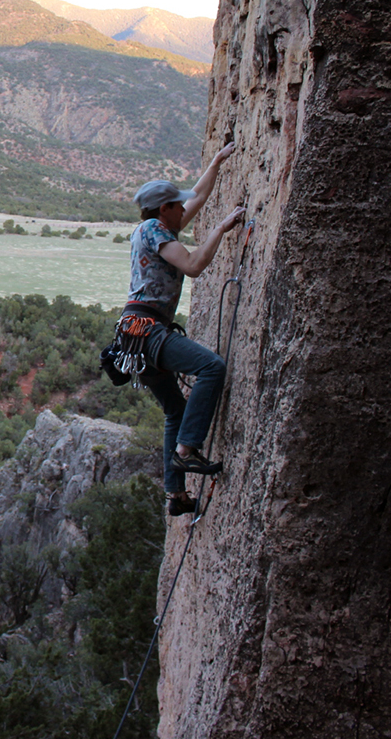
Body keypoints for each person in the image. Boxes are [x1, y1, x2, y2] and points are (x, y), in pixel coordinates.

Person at [122, 142, 244, 517]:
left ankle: (176, 496)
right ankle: (186, 453)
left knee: (175, 410)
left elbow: (199, 196)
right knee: (212, 368)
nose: (184, 210)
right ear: (165, 209)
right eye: (178, 205)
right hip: (148, 330)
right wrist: (222, 229)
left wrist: (218, 161)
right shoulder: (157, 230)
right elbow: (192, 265)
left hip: (133, 336)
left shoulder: (152, 227)